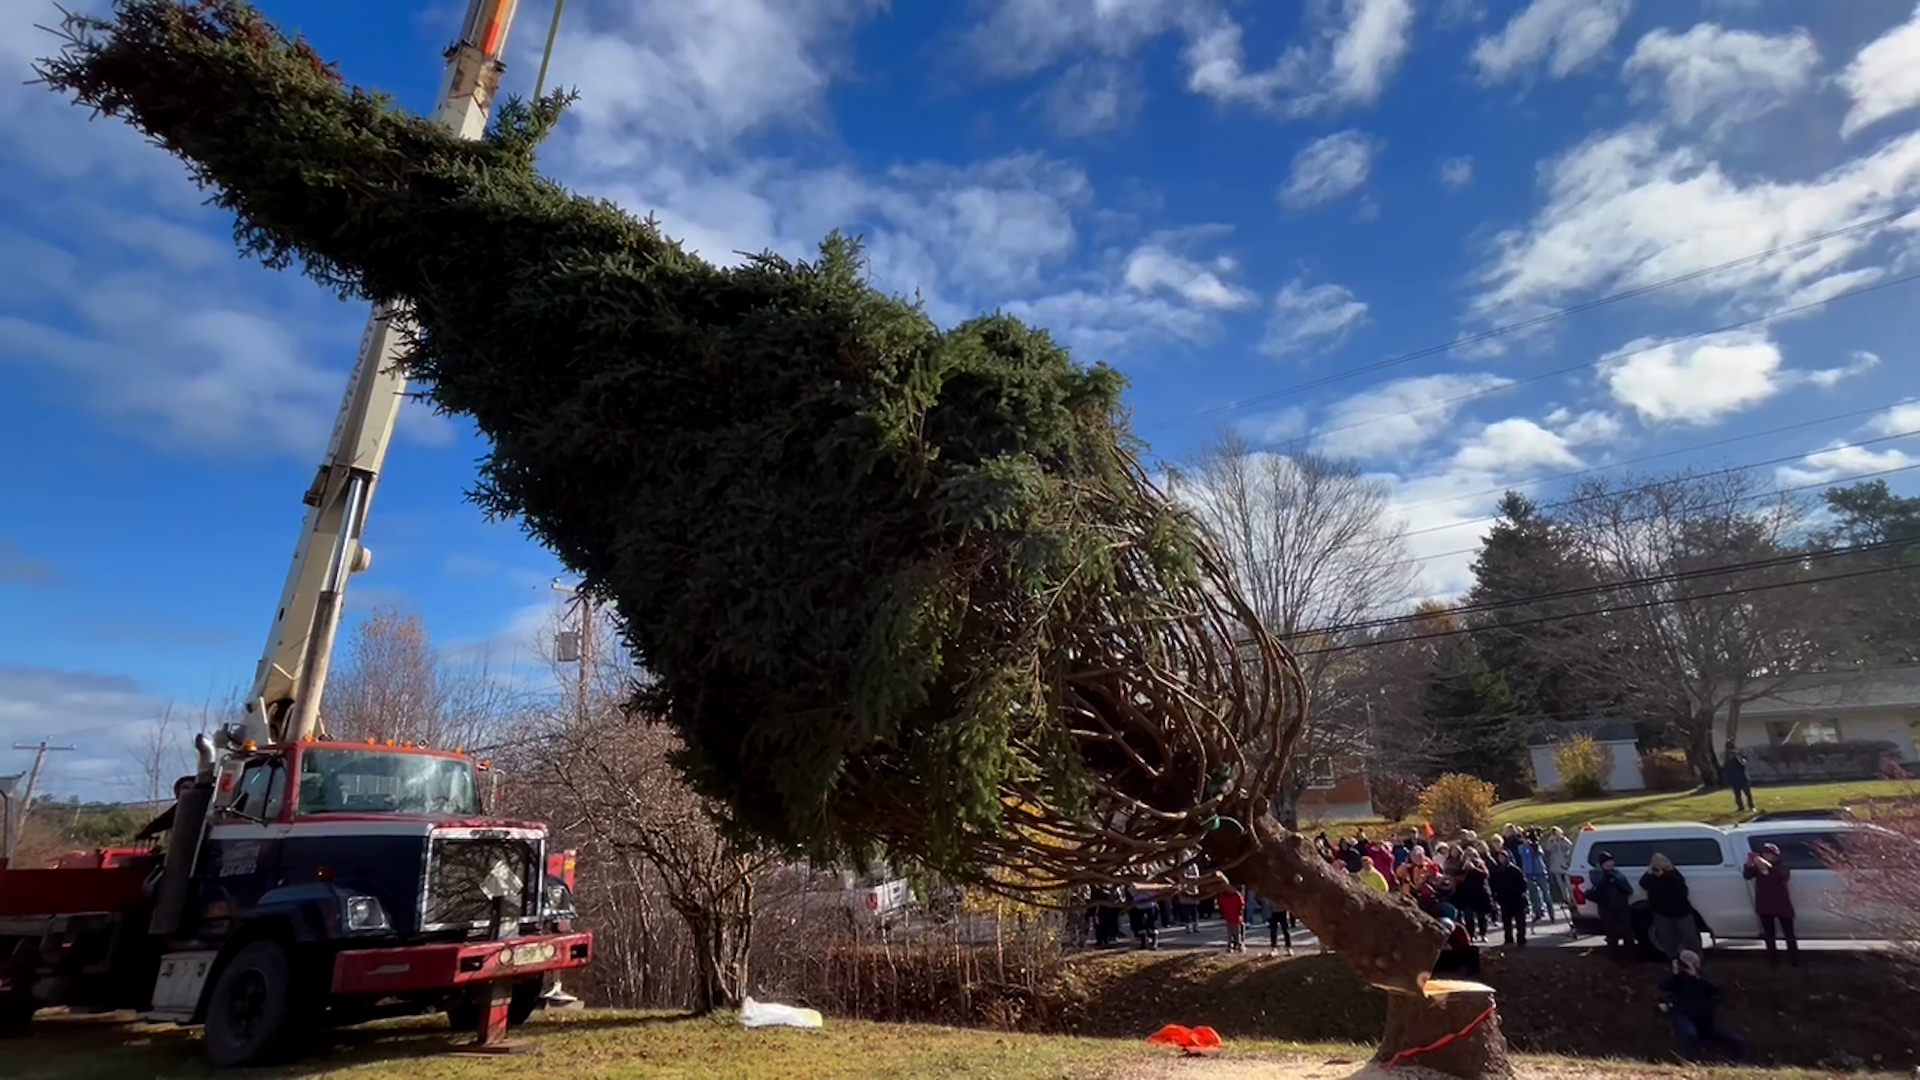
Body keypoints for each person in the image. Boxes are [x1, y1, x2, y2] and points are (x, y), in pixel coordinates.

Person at [1659, 950, 1746, 1061]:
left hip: (1705, 1023)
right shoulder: (1676, 982)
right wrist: (1676, 974)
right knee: (1690, 1034)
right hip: (1684, 1018)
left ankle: (1738, 1063)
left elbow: (1717, 991)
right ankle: (1689, 1061)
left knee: (1737, 1040)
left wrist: (1695, 976)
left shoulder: (1702, 982)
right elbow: (1665, 988)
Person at [1743, 843, 1798, 966]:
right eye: (1765, 853)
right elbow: (1747, 875)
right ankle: (1773, 961)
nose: (1766, 855)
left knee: (1789, 935)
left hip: (1782, 906)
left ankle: (1794, 960)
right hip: (1765, 905)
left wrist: (1762, 863)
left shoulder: (1783, 867)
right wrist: (1750, 863)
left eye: (1769, 853)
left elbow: (1779, 876)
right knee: (1769, 936)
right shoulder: (1758, 868)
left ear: (1776, 855)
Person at [1642, 853, 1702, 962]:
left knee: (1689, 937)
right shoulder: (1652, 876)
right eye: (1655, 862)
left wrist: (1663, 876)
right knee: (1667, 938)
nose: (1658, 864)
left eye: (1661, 861)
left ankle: (1696, 960)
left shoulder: (1674, 874)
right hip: (1661, 913)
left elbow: (1681, 890)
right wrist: (1649, 873)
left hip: (1681, 912)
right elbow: (1643, 884)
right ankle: (1673, 960)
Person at [1587, 851, 1635, 954]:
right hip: (1606, 907)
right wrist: (1607, 877)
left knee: (1627, 931)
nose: (1610, 864)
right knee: (1611, 932)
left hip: (1622, 907)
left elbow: (1628, 889)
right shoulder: (1596, 873)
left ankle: (1630, 953)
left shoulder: (1617, 874)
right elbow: (1598, 884)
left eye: (1611, 861)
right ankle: (1614, 954)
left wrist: (1615, 879)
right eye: (1607, 862)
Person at [134, 775, 196, 844]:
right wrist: (148, 830)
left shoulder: (194, 804)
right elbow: (165, 819)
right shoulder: (184, 807)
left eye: (186, 789)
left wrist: (148, 830)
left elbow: (167, 818)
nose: (184, 795)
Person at [1488, 849, 1530, 947]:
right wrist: (1496, 895)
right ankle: (1508, 939)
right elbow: (1493, 884)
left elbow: (1523, 884)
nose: (1501, 859)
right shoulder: (1497, 871)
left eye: (1503, 857)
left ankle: (1521, 938)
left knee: (1520, 920)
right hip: (1504, 899)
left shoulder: (1515, 870)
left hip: (1517, 899)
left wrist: (1519, 892)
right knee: (1506, 921)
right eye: (1500, 857)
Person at [1515, 830, 1553, 923]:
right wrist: (1527, 845)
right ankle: (1537, 912)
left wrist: (1535, 845)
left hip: (1540, 872)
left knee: (1546, 893)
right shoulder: (1522, 847)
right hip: (1529, 873)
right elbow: (1524, 854)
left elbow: (1540, 854)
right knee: (1533, 894)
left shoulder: (1537, 846)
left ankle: (1551, 913)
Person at [1544, 827, 1574, 908]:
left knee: (1568, 883)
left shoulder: (1564, 840)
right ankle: (1565, 899)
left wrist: (1563, 840)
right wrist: (1552, 841)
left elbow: (1570, 846)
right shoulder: (1551, 841)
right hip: (1556, 865)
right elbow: (1547, 848)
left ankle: (1572, 898)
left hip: (1565, 864)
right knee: (1561, 884)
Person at [1722, 742, 1754, 813]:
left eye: (1733, 754)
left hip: (1743, 779)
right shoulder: (1728, 763)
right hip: (1735, 781)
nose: (1731, 755)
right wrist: (1728, 781)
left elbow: (1744, 764)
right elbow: (1726, 772)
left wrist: (1739, 757)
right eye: (1730, 754)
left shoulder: (1739, 760)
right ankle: (1740, 807)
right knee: (1737, 795)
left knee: (1748, 794)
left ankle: (1751, 806)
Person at [1219, 886, 1247, 953]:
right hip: (1236, 917)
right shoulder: (1237, 895)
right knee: (1238, 932)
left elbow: (1221, 905)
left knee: (1230, 932)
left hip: (1229, 917)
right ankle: (1239, 945)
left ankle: (1230, 945)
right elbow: (1242, 905)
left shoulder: (1224, 896)